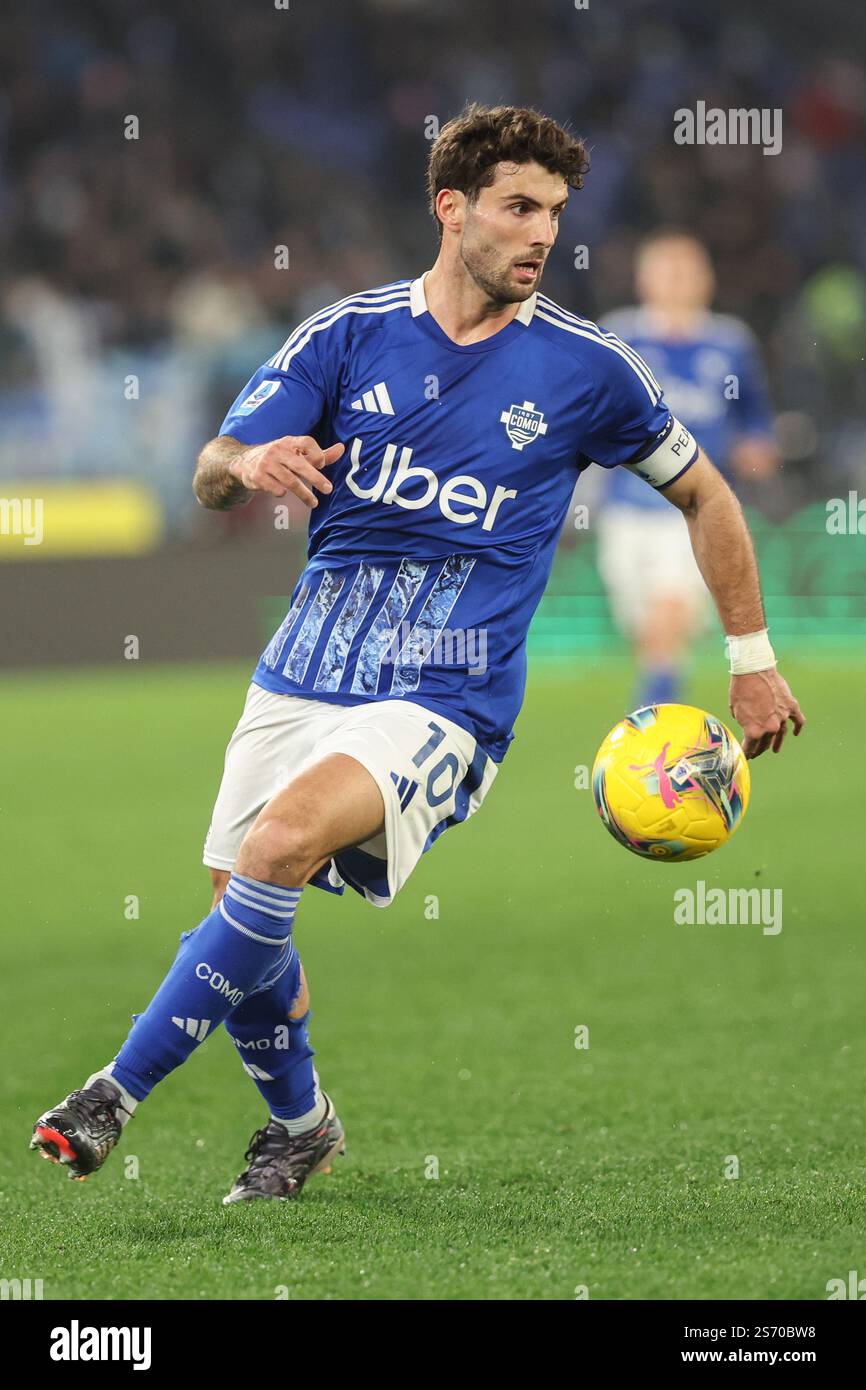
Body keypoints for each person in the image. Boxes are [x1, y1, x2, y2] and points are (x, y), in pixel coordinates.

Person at [30, 105, 804, 1205]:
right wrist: (248, 466)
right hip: (301, 670)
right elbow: (212, 461)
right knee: (239, 905)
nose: (543, 235)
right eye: (518, 208)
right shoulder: (345, 333)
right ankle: (301, 1127)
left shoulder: (589, 369)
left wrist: (751, 653)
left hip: (447, 694)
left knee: (279, 843)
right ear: (451, 209)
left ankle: (113, 1091)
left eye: (554, 213)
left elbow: (706, 492)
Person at [596, 230, 778, 707]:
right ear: (644, 279)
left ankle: (656, 699)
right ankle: (661, 690)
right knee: (643, 621)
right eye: (667, 268)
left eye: (687, 269)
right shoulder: (620, 336)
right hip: (627, 503)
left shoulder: (731, 343)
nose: (678, 279)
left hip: (696, 505)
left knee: (670, 599)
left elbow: (755, 418)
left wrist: (758, 446)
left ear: (707, 279)